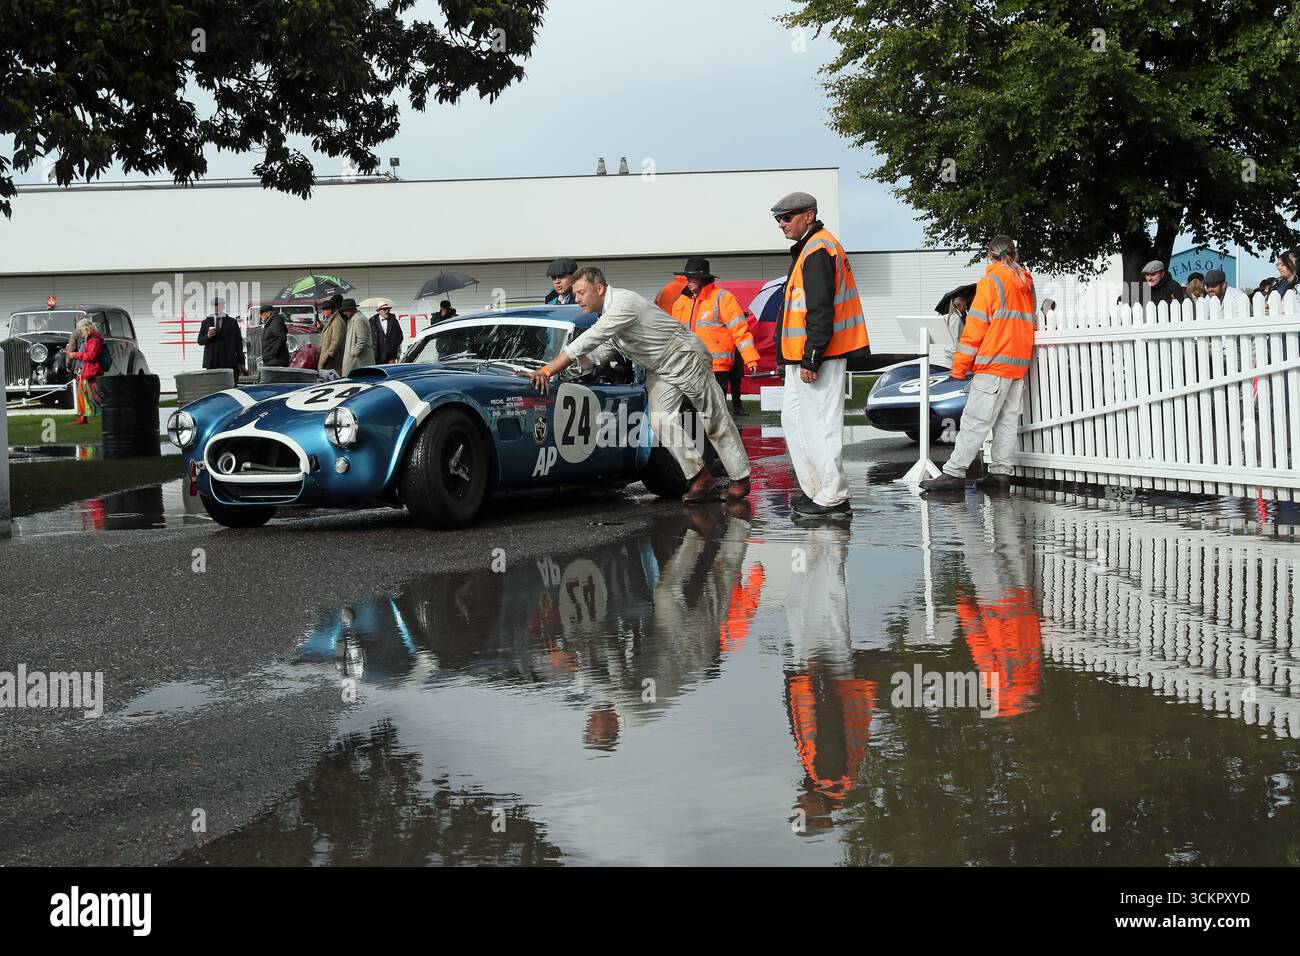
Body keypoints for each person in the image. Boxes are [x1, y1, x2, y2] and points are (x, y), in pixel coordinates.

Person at [522, 266, 752, 503]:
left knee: (713, 418)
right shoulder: (608, 315)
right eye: (576, 293)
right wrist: (570, 366)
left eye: (581, 292)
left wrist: (548, 370)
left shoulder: (624, 303)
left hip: (685, 357)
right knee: (660, 420)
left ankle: (740, 478)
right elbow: (599, 354)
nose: (577, 298)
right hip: (659, 368)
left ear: (599, 288)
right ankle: (699, 476)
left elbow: (591, 338)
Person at [771, 190, 870, 517]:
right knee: (796, 420)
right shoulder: (810, 250)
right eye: (778, 220)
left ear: (808, 216)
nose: (781, 224)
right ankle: (817, 489)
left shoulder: (817, 250)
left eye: (787, 218)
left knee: (819, 425)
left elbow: (820, 310)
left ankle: (833, 497)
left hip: (818, 356)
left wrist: (812, 356)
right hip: (803, 357)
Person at [920, 235, 1036, 493]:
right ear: (1013, 255)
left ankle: (954, 473)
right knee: (1006, 422)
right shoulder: (1025, 283)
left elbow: (974, 329)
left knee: (975, 420)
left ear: (989, 256)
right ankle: (1000, 473)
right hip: (1017, 366)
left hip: (994, 363)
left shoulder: (991, 281)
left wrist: (959, 367)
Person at [669, 257, 759, 417]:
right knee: (687, 414)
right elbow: (673, 334)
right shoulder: (680, 302)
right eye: (687, 277)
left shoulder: (723, 298)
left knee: (713, 415)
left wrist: (750, 358)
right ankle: (693, 441)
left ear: (703, 278)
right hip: (688, 367)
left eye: (692, 277)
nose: (687, 280)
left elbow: (740, 329)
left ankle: (714, 441)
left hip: (716, 369)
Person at [65, 317, 105, 425]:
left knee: (95, 396)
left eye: (80, 330)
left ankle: (107, 415)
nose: (79, 333)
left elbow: (91, 356)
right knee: (82, 395)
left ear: (87, 328)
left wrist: (75, 355)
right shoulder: (88, 339)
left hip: (92, 372)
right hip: (86, 371)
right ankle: (83, 418)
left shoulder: (94, 340)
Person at [196, 296, 246, 376]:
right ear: (211, 307)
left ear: (223, 307)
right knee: (213, 387)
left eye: (218, 305)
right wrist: (207, 336)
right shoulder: (206, 322)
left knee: (229, 386)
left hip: (228, 362)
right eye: (214, 305)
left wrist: (241, 362)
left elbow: (238, 343)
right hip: (212, 362)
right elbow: (200, 341)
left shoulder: (232, 322)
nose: (216, 307)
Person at [340, 298, 376, 376]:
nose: (345, 313)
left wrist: (354, 352)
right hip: (357, 359)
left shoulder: (359, 319)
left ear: (352, 309)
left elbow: (362, 339)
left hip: (359, 360)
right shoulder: (355, 318)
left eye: (346, 310)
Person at [317, 299, 347, 375]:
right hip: (330, 358)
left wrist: (326, 357)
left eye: (324, 310)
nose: (322, 312)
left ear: (330, 310)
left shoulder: (337, 322)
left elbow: (335, 341)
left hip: (332, 360)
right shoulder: (332, 320)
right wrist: (321, 328)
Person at [259, 303, 290, 369]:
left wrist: (271, 354)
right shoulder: (270, 322)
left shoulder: (275, 322)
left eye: (261, 313)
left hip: (276, 362)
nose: (260, 316)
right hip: (273, 361)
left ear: (268, 313)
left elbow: (281, 338)